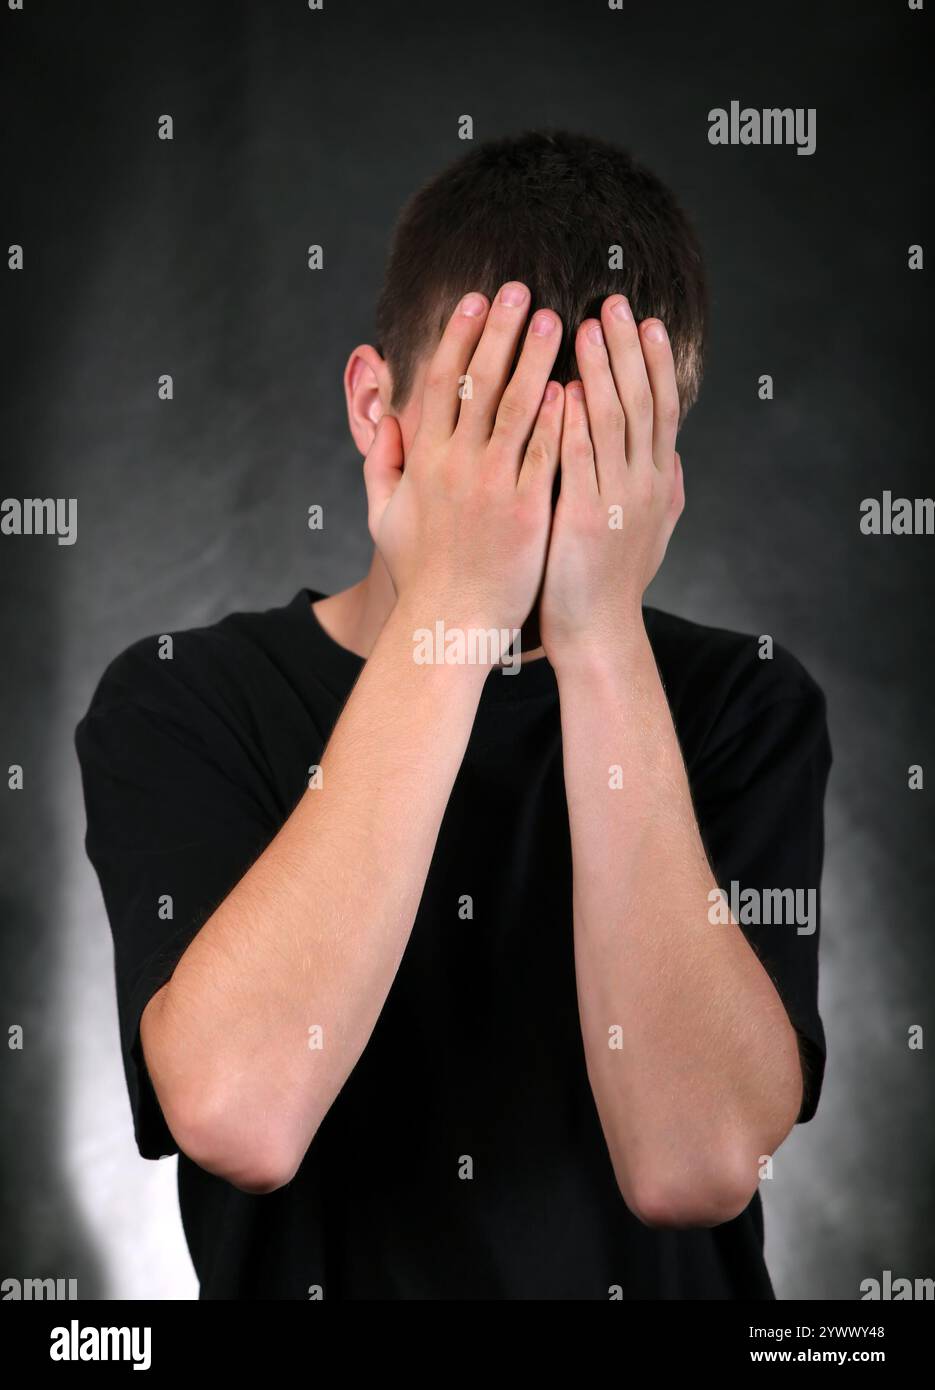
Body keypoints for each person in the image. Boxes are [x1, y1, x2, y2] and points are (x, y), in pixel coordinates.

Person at [75, 130, 831, 1300]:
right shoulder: (184, 699)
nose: (537, 502)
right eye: (500, 435)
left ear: (659, 464)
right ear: (380, 410)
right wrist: (458, 609)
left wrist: (596, 635)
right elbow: (240, 1113)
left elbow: (695, 1162)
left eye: (595, 450)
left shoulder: (741, 705)